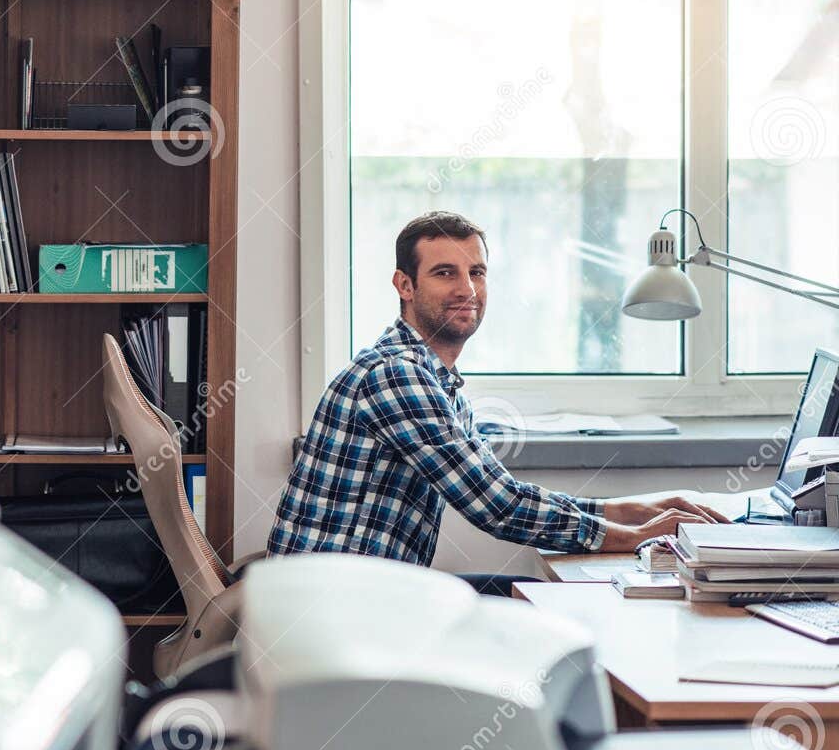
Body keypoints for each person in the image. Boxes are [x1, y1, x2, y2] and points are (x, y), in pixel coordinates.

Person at [268, 211, 724, 590]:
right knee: (552, 614)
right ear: (404, 285)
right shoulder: (396, 375)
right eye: (445, 273)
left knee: (544, 600)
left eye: (477, 272)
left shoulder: (438, 381)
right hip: (335, 612)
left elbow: (505, 492)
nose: (467, 289)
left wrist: (635, 510)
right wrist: (639, 537)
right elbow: (499, 508)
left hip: (368, 595)